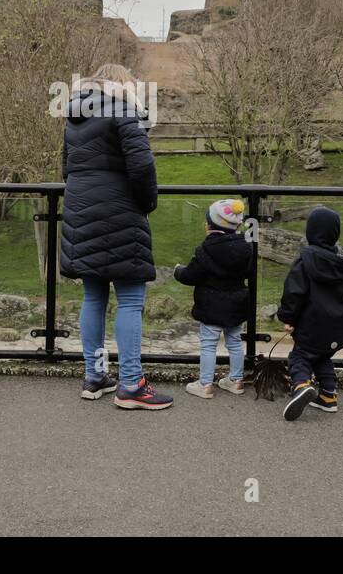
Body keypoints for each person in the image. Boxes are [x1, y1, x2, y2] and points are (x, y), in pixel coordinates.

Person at [60, 64, 171, 410]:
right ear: (123, 85)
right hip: (119, 208)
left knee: (94, 296)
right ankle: (132, 384)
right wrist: (147, 202)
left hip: (81, 207)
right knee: (131, 298)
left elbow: (66, 167)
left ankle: (94, 377)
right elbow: (142, 165)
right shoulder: (124, 109)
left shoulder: (73, 116)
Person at [276, 206, 343, 421]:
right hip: (338, 329)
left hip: (312, 325)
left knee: (299, 356)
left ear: (310, 231)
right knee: (323, 356)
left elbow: (294, 292)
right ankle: (328, 397)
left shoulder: (306, 261)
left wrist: (287, 317)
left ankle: (302, 385)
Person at [174, 199, 253, 398]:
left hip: (212, 304)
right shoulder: (246, 247)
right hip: (236, 303)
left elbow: (191, 275)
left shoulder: (205, 250)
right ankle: (236, 380)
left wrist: (178, 271)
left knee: (209, 343)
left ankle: (205, 384)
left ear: (209, 225)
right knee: (234, 341)